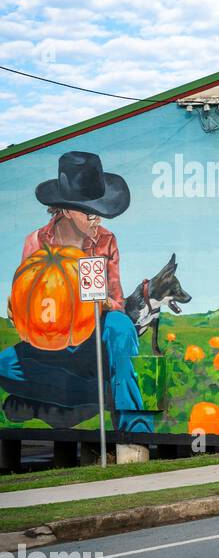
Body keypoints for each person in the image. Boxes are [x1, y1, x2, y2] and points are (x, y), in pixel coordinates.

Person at [0, 151, 151, 432]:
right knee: (4, 365)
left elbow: (117, 302)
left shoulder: (106, 241)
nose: (97, 220)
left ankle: (134, 429)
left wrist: (97, 301)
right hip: (47, 338)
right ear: (67, 210)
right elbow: (25, 300)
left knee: (121, 326)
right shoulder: (36, 242)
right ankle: (90, 399)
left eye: (100, 213)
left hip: (90, 334)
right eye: (90, 213)